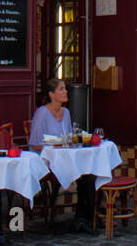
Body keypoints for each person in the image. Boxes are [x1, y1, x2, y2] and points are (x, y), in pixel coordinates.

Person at [28, 78, 96, 231]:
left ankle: (85, 217)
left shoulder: (66, 112)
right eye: (61, 89)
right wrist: (57, 143)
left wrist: (75, 140)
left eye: (65, 89)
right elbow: (35, 143)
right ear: (52, 94)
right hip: (45, 160)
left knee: (89, 174)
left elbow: (69, 137)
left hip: (63, 156)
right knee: (84, 174)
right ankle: (85, 217)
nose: (66, 92)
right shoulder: (42, 113)